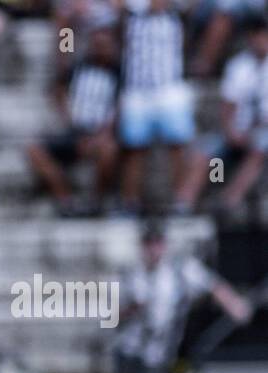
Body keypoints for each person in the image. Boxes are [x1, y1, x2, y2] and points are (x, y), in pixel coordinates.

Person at [110, 221, 250, 373]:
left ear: (164, 245)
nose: (153, 249)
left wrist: (234, 304)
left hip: (158, 355)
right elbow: (112, 316)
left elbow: (213, 285)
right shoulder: (130, 274)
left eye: (157, 243)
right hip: (128, 351)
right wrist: (132, 310)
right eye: (148, 243)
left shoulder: (180, 269)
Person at [177, 15, 268, 213]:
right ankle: (188, 202)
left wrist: (256, 130)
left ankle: (230, 199)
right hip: (237, 131)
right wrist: (231, 131)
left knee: (261, 146)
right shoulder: (239, 66)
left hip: (262, 131)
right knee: (209, 155)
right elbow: (228, 105)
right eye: (257, 36)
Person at [25, 26, 120, 216]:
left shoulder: (120, 74)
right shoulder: (76, 67)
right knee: (34, 150)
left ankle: (97, 202)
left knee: (109, 150)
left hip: (100, 134)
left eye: (105, 45)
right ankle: (65, 200)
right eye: (97, 45)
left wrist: (101, 133)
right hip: (74, 131)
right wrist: (67, 116)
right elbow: (64, 46)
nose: (101, 49)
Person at [117, 0, 194, 214]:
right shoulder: (132, 15)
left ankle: (181, 202)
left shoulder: (175, 14)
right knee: (134, 150)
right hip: (137, 90)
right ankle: (129, 203)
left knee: (178, 146)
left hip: (169, 88)